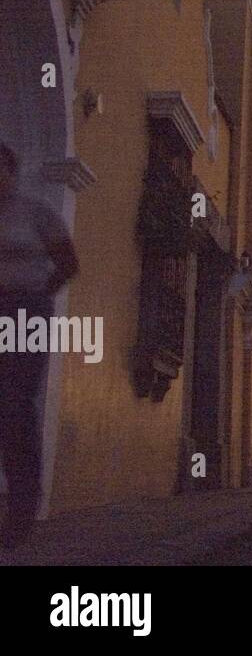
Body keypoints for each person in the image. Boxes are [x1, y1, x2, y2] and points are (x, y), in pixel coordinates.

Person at [0, 142, 79, 548]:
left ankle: (22, 507)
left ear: (11, 171)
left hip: (25, 312)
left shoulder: (35, 214)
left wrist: (34, 297)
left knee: (15, 407)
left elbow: (67, 263)